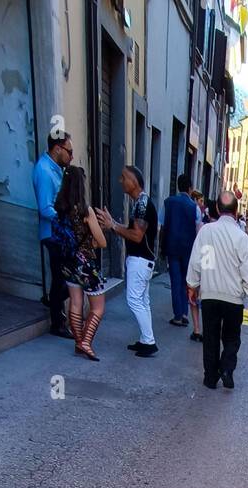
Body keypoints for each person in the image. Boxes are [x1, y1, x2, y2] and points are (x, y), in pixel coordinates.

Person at [186, 189, 248, 390]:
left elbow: (198, 261)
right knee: (231, 338)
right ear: (236, 211)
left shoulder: (207, 231)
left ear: (217, 208)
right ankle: (227, 369)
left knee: (210, 337)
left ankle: (210, 377)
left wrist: (192, 285)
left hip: (210, 295)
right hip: (234, 299)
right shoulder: (242, 238)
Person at [96, 166, 159, 358]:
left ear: (134, 182)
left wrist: (113, 225)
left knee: (134, 300)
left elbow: (137, 236)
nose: (120, 181)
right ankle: (146, 339)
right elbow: (135, 232)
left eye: (123, 177)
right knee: (142, 301)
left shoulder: (142, 203)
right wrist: (114, 224)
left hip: (140, 261)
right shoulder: (141, 202)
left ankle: (149, 341)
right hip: (143, 261)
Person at [52, 165, 107, 361]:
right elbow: (102, 242)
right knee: (98, 306)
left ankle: (78, 342)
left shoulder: (60, 210)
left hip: (68, 262)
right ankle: (86, 341)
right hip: (86, 265)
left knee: (75, 302)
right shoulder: (85, 211)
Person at [32, 130, 74, 337]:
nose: (71, 156)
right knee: (64, 278)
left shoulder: (54, 168)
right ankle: (57, 322)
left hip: (59, 234)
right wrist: (68, 218)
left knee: (62, 278)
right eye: (69, 151)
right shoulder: (44, 170)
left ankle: (54, 304)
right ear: (57, 149)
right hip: (53, 234)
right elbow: (45, 208)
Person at [161, 174, 199, 328]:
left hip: (172, 247)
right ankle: (184, 312)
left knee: (175, 280)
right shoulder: (194, 207)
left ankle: (177, 315)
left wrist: (162, 247)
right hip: (188, 249)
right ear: (190, 189)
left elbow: (162, 226)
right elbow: (198, 230)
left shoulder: (168, 203)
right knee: (186, 281)